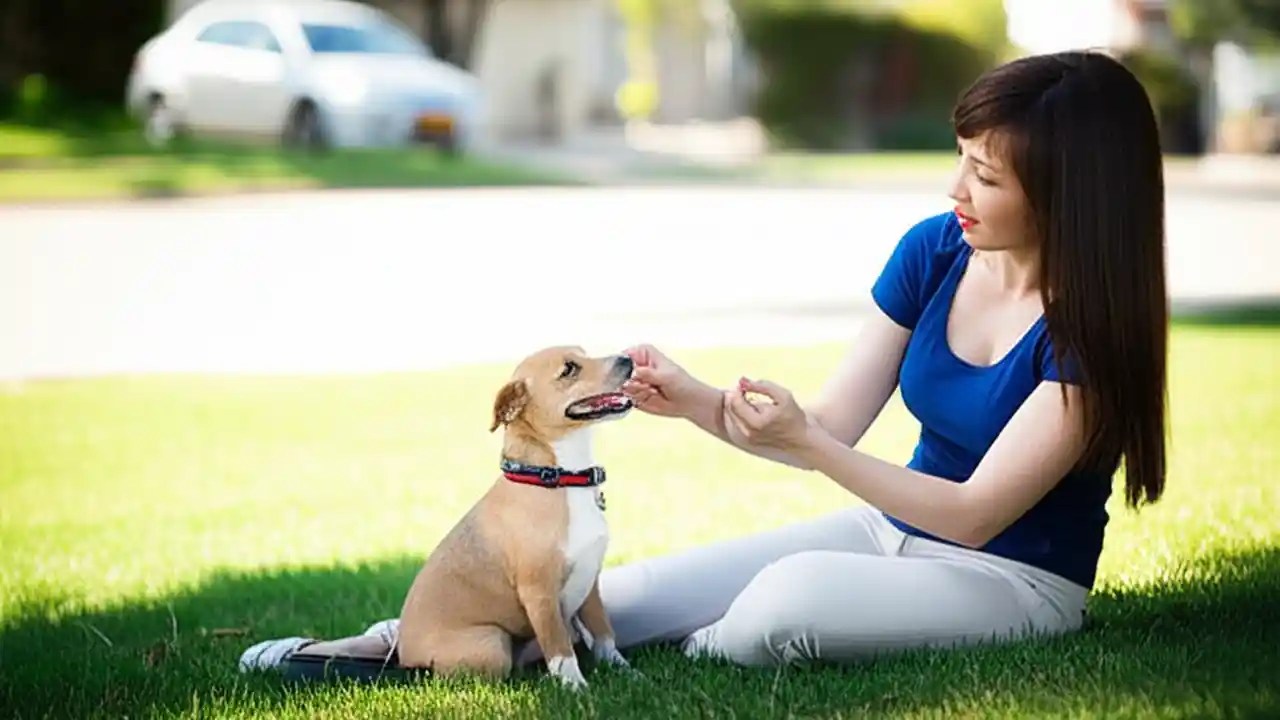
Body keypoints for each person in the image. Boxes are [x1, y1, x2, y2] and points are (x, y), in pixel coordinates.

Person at [239, 48, 1169, 674]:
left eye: (987, 175)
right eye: (960, 157)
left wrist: (811, 446)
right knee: (627, 596)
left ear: (1069, 197)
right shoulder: (937, 251)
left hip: (1012, 582)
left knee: (781, 606)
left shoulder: (1091, 334)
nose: (955, 187)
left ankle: (706, 648)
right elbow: (834, 425)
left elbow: (970, 517)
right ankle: (388, 648)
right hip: (894, 531)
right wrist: (693, 400)